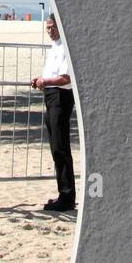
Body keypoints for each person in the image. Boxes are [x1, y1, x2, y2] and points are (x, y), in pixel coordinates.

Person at [32, 14, 76, 212]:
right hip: (51, 95)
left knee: (60, 146)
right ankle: (63, 193)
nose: (50, 31)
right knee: (55, 146)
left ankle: (67, 196)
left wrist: (46, 81)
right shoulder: (55, 46)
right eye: (47, 28)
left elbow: (66, 78)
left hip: (60, 96)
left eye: (53, 27)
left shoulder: (65, 46)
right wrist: (41, 80)